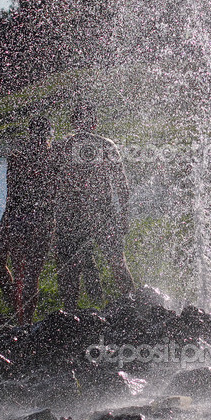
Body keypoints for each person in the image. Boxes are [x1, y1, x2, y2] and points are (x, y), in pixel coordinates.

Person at [54, 101, 135, 309]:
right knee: (117, 263)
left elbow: (52, 185)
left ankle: (70, 314)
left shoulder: (63, 146)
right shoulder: (105, 144)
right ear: (95, 123)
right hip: (102, 212)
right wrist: (123, 216)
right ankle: (132, 307)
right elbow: (122, 186)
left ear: (73, 122)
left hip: (73, 214)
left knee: (70, 268)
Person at [0, 116, 56, 325]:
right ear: (48, 134)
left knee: (2, 263)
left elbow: (11, 195)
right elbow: (57, 192)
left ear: (29, 133)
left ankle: (22, 319)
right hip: (42, 218)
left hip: (17, 215)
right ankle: (23, 319)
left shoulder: (17, 156)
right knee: (30, 273)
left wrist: (7, 222)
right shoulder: (53, 157)